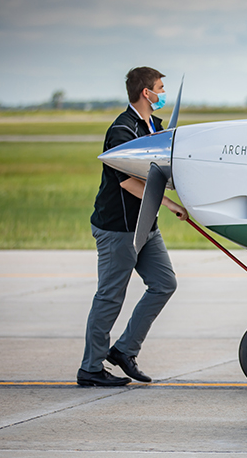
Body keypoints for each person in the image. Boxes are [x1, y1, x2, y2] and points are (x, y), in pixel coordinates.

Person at [77, 67, 189, 387]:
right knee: (110, 296)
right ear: (146, 93)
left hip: (144, 225)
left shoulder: (154, 126)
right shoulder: (122, 130)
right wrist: (170, 205)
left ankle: (125, 350)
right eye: (160, 87)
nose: (163, 93)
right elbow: (128, 181)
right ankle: (91, 368)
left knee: (164, 283)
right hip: (118, 229)